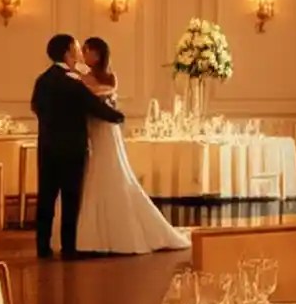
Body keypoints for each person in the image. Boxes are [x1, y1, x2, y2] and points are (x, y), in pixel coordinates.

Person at [74, 36, 189, 254]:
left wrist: (90, 87)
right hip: (93, 127)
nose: (87, 56)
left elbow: (101, 93)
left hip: (106, 127)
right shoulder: (80, 71)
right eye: (86, 51)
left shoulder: (108, 76)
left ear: (99, 56)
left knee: (109, 168)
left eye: (91, 52)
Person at [30, 34, 126, 259]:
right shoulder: (71, 81)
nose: (79, 52)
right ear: (67, 52)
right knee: (70, 199)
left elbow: (35, 106)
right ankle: (68, 248)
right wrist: (118, 116)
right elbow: (94, 107)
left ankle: (42, 247)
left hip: (47, 147)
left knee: (46, 198)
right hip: (72, 148)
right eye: (75, 48)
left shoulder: (43, 80)